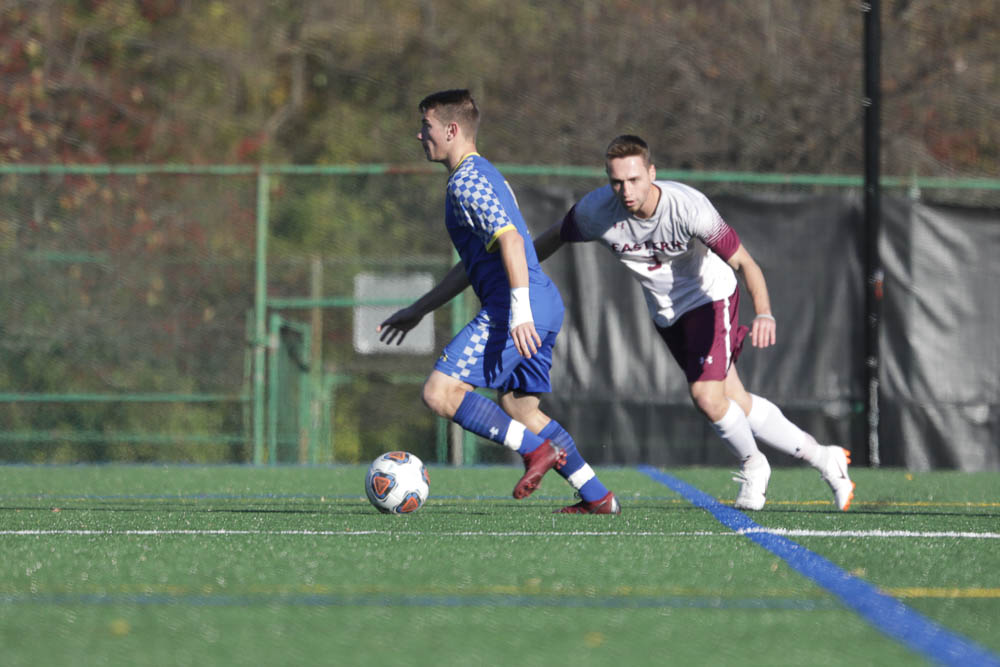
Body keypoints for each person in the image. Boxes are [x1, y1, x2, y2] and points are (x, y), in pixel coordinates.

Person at [531, 134, 855, 511]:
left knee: (706, 396)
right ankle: (823, 458)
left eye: (634, 179)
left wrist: (764, 312)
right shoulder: (595, 212)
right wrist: (518, 270)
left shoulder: (688, 208)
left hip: (710, 299)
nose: (625, 189)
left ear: (652, 173)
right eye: (616, 181)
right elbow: (553, 236)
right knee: (736, 400)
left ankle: (754, 465)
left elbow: (746, 263)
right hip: (667, 315)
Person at [376, 89, 619, 514]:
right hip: (542, 304)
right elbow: (473, 264)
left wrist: (518, 313)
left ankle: (534, 453)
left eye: (426, 126)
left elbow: (509, 240)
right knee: (520, 407)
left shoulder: (468, 180)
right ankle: (597, 496)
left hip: (517, 309)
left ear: (451, 130)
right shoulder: (482, 174)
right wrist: (420, 309)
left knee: (440, 392)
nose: (419, 136)